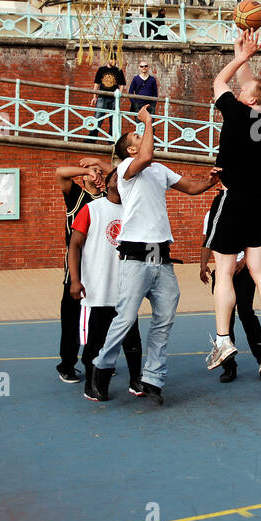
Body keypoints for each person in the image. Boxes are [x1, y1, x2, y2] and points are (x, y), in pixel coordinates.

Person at [84, 107, 220, 405]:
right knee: (125, 318)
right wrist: (147, 121)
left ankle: (153, 378)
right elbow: (145, 157)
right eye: (137, 136)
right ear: (131, 149)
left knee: (164, 319)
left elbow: (192, 188)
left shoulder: (160, 170)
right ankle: (101, 369)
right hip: (134, 256)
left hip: (162, 257)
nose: (143, 135)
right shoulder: (126, 169)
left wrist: (210, 181)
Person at [203, 29, 261, 376]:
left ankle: (223, 340)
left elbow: (217, 80)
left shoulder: (236, 112)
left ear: (250, 100)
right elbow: (251, 83)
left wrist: (238, 58)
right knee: (259, 268)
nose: (240, 91)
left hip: (235, 198)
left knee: (224, 270)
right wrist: (245, 55)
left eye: (244, 92)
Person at [68, 164, 144, 398]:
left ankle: (135, 381)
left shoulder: (135, 211)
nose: (118, 180)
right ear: (109, 182)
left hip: (126, 290)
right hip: (98, 289)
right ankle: (91, 384)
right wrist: (75, 280)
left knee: (132, 341)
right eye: (115, 177)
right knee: (95, 342)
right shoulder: (92, 209)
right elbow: (74, 246)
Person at [199, 188, 261, 382]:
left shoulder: (248, 208)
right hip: (222, 272)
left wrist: (245, 260)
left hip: (243, 270)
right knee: (225, 318)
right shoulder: (212, 213)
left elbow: (257, 242)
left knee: (246, 313)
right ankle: (229, 366)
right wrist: (203, 264)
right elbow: (207, 241)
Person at [54, 157, 105, 383]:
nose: (99, 175)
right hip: (77, 271)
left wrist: (101, 165)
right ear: (84, 177)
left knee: (100, 319)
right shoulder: (77, 196)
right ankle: (67, 364)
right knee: (72, 320)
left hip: (101, 270)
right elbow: (60, 173)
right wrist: (86, 170)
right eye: (93, 173)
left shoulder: (108, 199)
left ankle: (97, 360)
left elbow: (123, 180)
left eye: (101, 173)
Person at [92, 57, 126, 140]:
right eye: (112, 59)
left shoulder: (119, 70)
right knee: (98, 117)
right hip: (102, 97)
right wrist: (94, 96)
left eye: (115, 59)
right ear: (108, 59)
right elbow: (96, 84)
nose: (114, 61)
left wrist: (119, 95)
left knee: (113, 119)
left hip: (114, 99)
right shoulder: (101, 69)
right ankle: (92, 137)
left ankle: (111, 139)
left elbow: (122, 84)